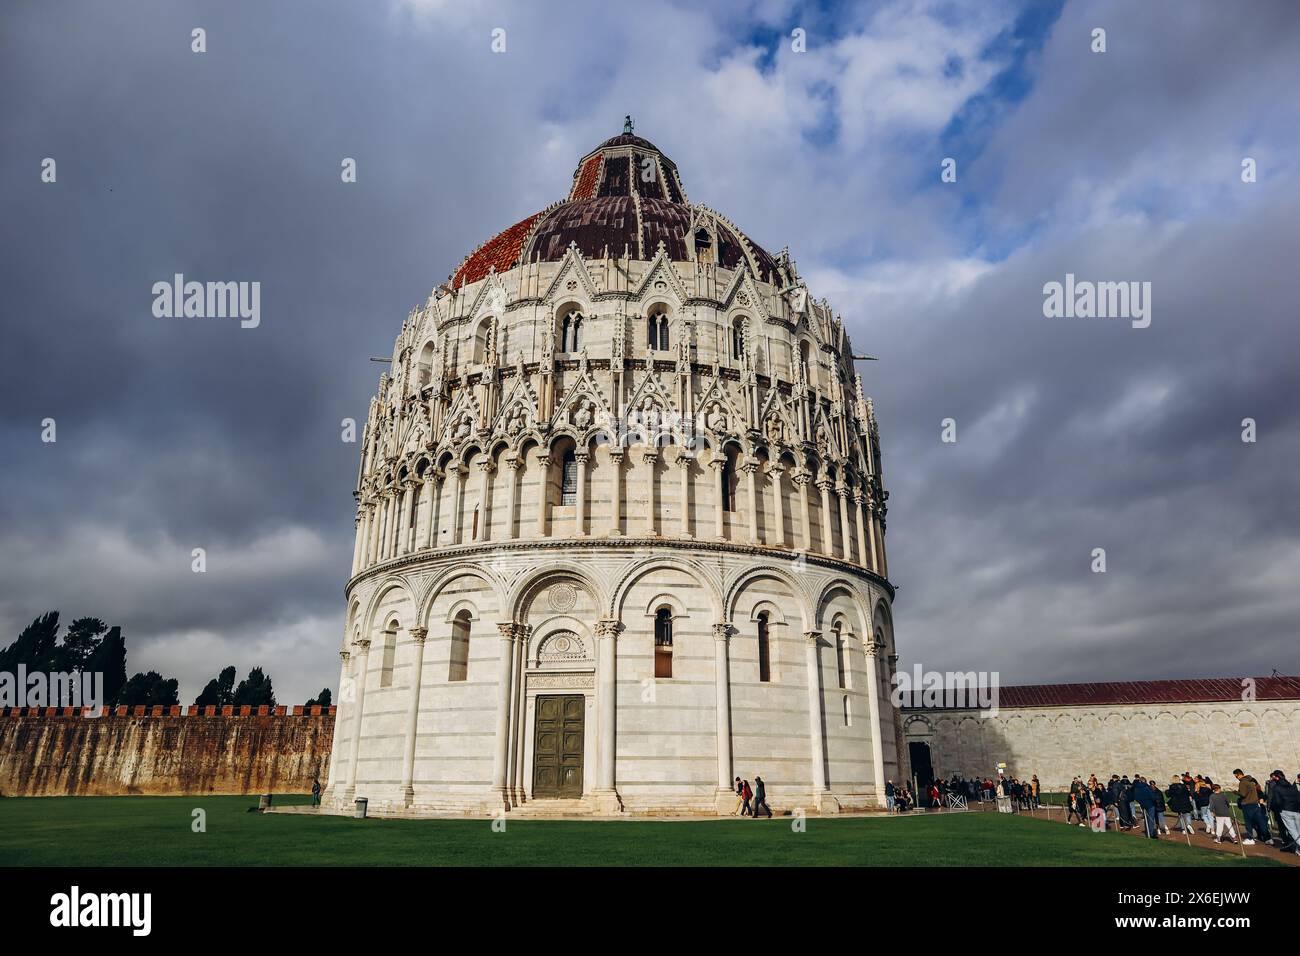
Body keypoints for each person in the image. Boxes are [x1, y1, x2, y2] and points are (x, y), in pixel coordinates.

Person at [1266, 770, 1300, 854]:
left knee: (1293, 831)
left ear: (1277, 777)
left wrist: (1272, 808)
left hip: (1285, 811)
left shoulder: (1276, 787)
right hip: (1296, 810)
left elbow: (1277, 802)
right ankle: (1296, 848)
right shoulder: (1291, 785)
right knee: (1298, 831)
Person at [1233, 769, 1270, 845]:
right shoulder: (1251, 781)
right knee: (1261, 821)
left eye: (1236, 776)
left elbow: (1243, 794)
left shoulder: (1243, 782)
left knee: (1248, 822)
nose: (1236, 777)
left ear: (1238, 774)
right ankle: (1268, 838)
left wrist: (1235, 792)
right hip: (1255, 804)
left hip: (1247, 804)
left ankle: (1250, 838)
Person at [1132, 774, 1158, 839]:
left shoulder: (1136, 788)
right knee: (1150, 819)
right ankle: (1151, 833)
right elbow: (1152, 797)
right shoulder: (1147, 787)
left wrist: (1141, 802)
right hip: (1150, 804)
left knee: (1146, 819)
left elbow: (1136, 797)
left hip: (1142, 805)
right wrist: (1154, 799)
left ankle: (1148, 831)